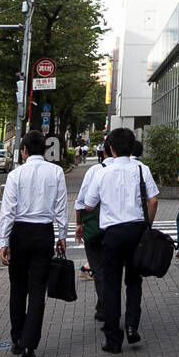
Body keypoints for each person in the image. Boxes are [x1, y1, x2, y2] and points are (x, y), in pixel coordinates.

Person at [83, 126, 160, 354]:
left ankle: (113, 339)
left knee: (111, 283)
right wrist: (148, 225)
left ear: (111, 149)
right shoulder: (141, 169)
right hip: (137, 230)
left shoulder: (102, 172)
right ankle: (131, 327)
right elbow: (153, 200)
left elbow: (89, 204)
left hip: (112, 233)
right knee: (134, 281)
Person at [0, 130, 68, 357]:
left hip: (20, 233)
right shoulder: (56, 172)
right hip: (44, 232)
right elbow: (61, 206)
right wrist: (62, 235)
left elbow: (7, 211)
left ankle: (17, 339)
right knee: (37, 289)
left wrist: (3, 242)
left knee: (17, 287)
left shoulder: (16, 174)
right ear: (45, 149)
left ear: (24, 151)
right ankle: (29, 345)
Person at [74, 136, 113, 323]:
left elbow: (82, 202)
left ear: (104, 151)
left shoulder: (95, 170)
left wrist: (79, 224)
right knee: (112, 270)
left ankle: (106, 308)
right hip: (120, 229)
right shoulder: (134, 169)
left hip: (95, 228)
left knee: (98, 270)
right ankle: (104, 305)